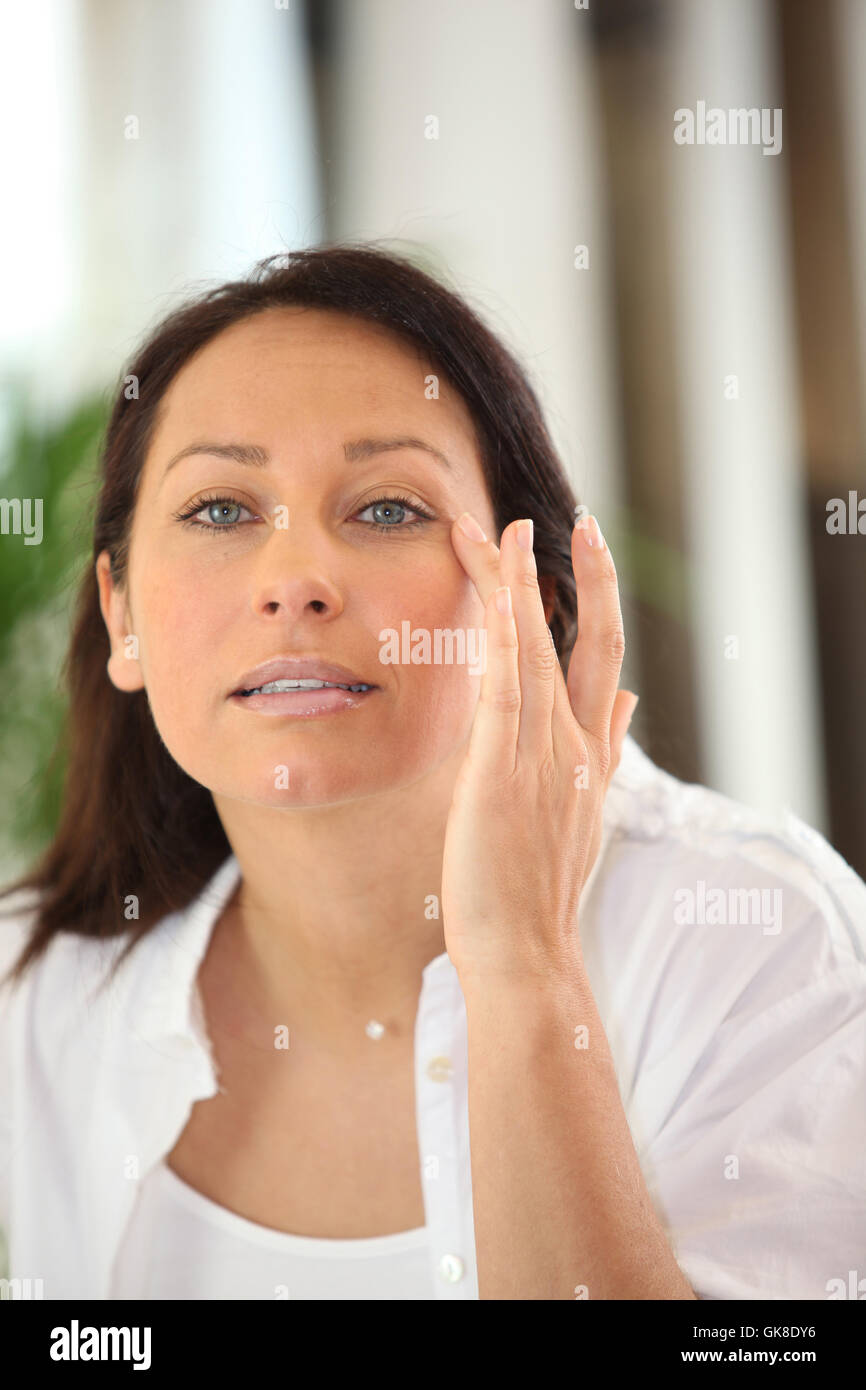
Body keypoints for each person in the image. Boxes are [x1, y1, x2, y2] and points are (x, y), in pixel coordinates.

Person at [0, 244, 864, 1302]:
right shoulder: (44, 994)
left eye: (386, 508)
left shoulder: (754, 940)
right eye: (222, 509)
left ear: (536, 599)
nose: (296, 582)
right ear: (121, 613)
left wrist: (520, 969)